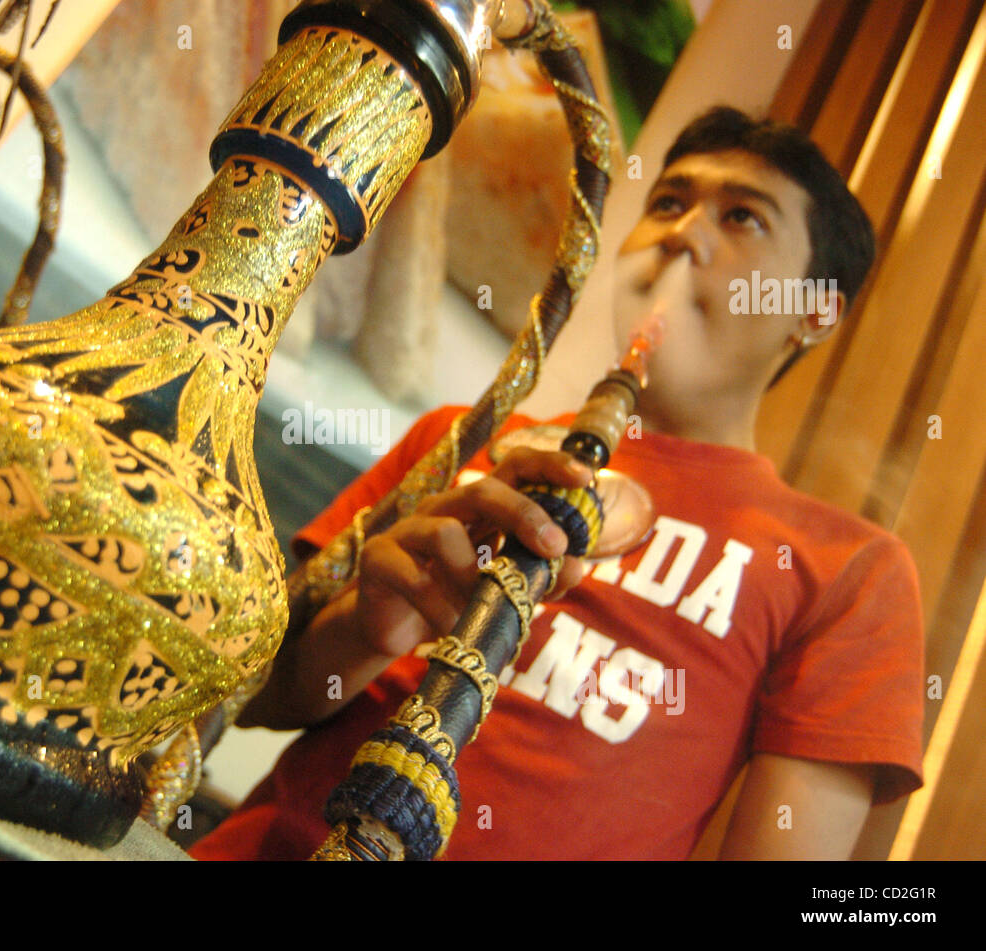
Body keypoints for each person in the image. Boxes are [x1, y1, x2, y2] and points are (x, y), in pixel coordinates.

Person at [190, 107, 926, 861]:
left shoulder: (845, 569)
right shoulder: (464, 438)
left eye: (743, 216)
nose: (680, 233)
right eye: (668, 203)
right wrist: (365, 630)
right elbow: (244, 700)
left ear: (814, 311)